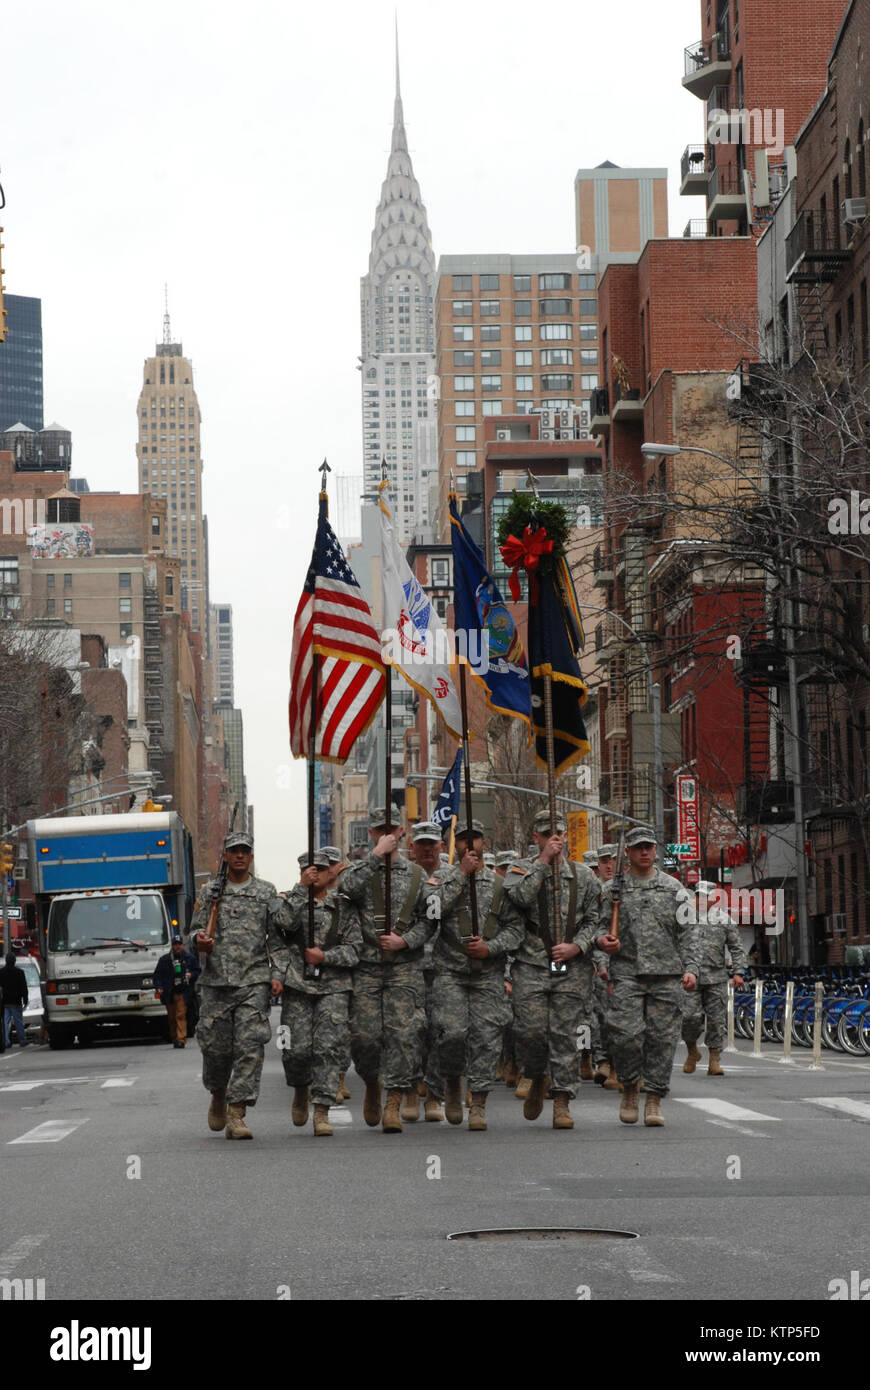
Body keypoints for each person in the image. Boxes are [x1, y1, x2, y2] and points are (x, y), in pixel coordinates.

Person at [185, 829, 288, 1140]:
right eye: (234, 850)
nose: (240, 855)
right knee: (215, 1051)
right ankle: (218, 1092)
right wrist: (198, 941)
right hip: (215, 984)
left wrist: (277, 974)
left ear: (251, 856)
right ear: (225, 857)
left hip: (253, 983)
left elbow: (278, 940)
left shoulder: (266, 893)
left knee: (250, 1048)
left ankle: (237, 1112)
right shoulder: (209, 894)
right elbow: (194, 933)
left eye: (245, 850)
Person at [594, 826, 699, 1128]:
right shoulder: (613, 890)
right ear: (627, 852)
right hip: (627, 973)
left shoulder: (674, 889)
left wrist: (691, 969)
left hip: (666, 976)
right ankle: (629, 1087)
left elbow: (689, 933)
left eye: (649, 847)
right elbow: (597, 927)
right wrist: (604, 944)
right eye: (638, 847)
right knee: (625, 1036)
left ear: (655, 851)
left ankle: (653, 1097)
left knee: (662, 1040)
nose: (644, 852)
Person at [503, 810, 601, 1129]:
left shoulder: (584, 876)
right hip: (531, 963)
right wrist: (543, 861)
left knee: (564, 1035)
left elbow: (593, 920)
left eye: (558, 833)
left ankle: (562, 1100)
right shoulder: (520, 870)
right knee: (529, 1032)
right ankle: (535, 1076)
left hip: (571, 968)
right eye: (547, 834)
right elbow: (518, 897)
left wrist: (578, 946)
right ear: (537, 838)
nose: (554, 839)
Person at [340, 807, 434, 1134]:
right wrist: (375, 857)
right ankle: (372, 1082)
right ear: (371, 834)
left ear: (402, 832)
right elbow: (345, 889)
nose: (387, 835)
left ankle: (393, 1100)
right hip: (366, 966)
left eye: (392, 829)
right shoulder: (361, 870)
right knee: (364, 1037)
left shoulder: (418, 876)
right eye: (380, 830)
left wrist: (406, 941)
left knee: (404, 1036)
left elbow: (429, 919)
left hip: (405, 968)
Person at [427, 820, 525, 1131]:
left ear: (484, 843)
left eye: (475, 839)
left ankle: (479, 1101)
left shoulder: (500, 884)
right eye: (463, 839)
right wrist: (461, 876)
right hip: (450, 971)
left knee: (486, 1038)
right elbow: (432, 912)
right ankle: (453, 1081)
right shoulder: (441, 879)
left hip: (487, 974)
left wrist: (492, 947)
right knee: (451, 1032)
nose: (470, 845)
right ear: (455, 845)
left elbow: (516, 930)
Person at [276, 850, 362, 1136]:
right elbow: (282, 925)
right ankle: (301, 1088)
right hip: (298, 985)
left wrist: (325, 957)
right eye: (309, 870)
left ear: (331, 873)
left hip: (333, 986)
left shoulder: (343, 907)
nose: (316, 874)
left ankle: (322, 1111)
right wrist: (301, 889)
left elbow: (354, 950)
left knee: (328, 1048)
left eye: (321, 870)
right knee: (295, 1050)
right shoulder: (293, 901)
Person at [405, 822, 447, 1122]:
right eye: (422, 844)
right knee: (408, 1032)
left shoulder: (455, 877)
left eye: (432, 844)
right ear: (413, 848)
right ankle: (408, 1089)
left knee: (440, 1032)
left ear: (441, 846)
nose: (428, 849)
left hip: (446, 966)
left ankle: (435, 1094)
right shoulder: (404, 878)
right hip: (409, 964)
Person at [681, 881, 746, 1076]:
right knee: (689, 1017)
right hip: (691, 977)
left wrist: (739, 972)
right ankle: (692, 1050)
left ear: (713, 899)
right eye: (698, 895)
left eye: (705, 896)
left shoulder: (723, 920)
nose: (701, 899)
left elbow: (736, 946)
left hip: (716, 976)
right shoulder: (685, 919)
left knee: (717, 1020)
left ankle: (714, 1059)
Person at [591, 843, 620, 1088]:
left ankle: (620, 1066)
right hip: (596, 960)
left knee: (624, 1017)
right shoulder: (592, 890)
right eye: (604, 860)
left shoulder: (623, 889)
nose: (609, 865)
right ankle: (604, 1061)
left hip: (625, 962)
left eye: (613, 860)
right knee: (601, 1016)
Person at [153, 935, 201, 1048]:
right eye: (175, 944)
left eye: (179, 944)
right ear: (172, 945)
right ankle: (174, 1038)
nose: (177, 946)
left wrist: (191, 975)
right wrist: (159, 987)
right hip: (169, 992)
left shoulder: (189, 958)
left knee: (180, 1015)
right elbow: (157, 975)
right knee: (171, 1017)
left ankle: (181, 1039)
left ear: (182, 945)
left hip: (183, 992)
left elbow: (197, 971)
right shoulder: (164, 960)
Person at [0, 951, 29, 1048]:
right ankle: (22, 1040)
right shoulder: (20, 972)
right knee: (18, 1022)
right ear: (14, 961)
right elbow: (24, 988)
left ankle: (6, 1041)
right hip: (16, 1001)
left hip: (4, 1002)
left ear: (6, 961)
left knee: (5, 1022)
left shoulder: (1, 972)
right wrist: (25, 999)